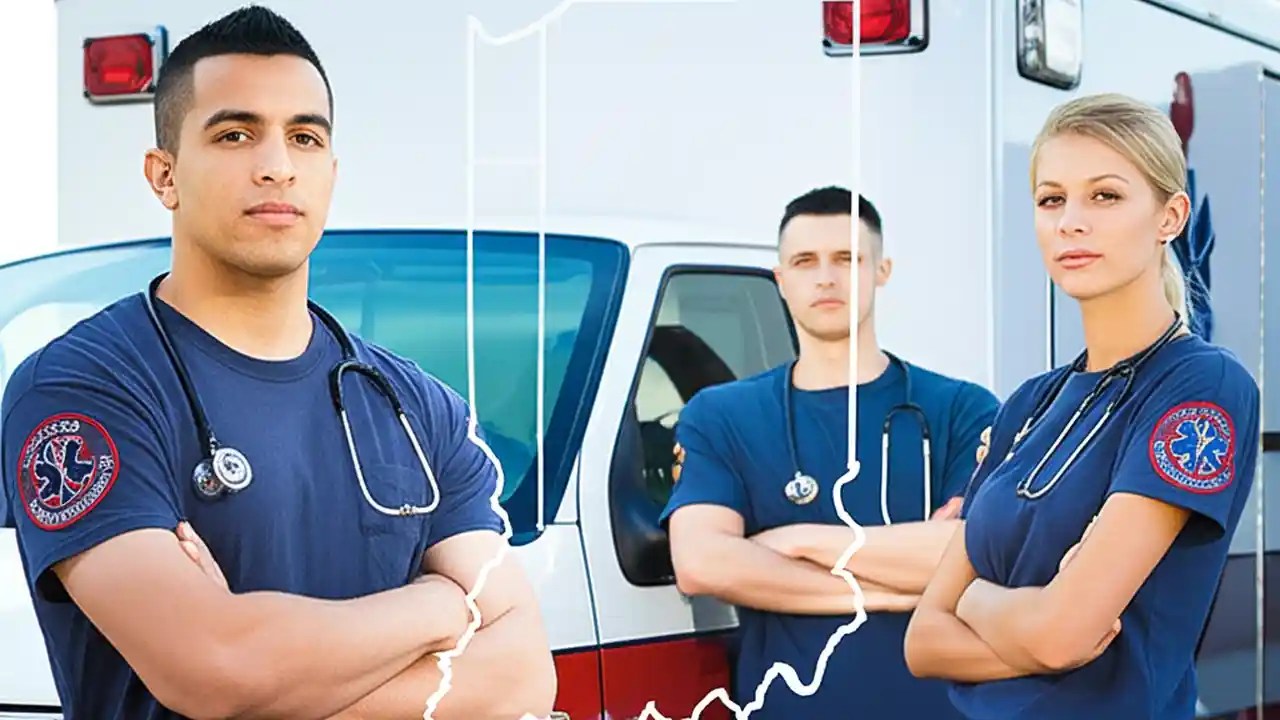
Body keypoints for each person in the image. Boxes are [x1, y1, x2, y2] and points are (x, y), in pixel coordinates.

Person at [0, 7, 555, 719]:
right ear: (164, 175)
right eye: (235, 134)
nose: (276, 165)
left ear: (331, 170)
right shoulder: (87, 389)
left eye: (304, 137)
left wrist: (265, 675)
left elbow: (522, 681)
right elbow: (215, 668)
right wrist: (445, 606)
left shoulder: (418, 408)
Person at [903, 93, 1261, 720]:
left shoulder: (1202, 386)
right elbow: (922, 643)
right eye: (1051, 199)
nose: (1070, 221)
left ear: (1170, 216)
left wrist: (974, 601)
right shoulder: (1029, 404)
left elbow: (1062, 633)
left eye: (1105, 196)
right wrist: (1035, 623)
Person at [661, 187, 1000, 718]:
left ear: (881, 270)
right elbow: (702, 563)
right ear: (781, 279)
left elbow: (976, 552)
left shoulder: (959, 408)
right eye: (805, 261)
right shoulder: (723, 416)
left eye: (847, 258)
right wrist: (892, 590)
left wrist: (795, 540)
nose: (826, 277)